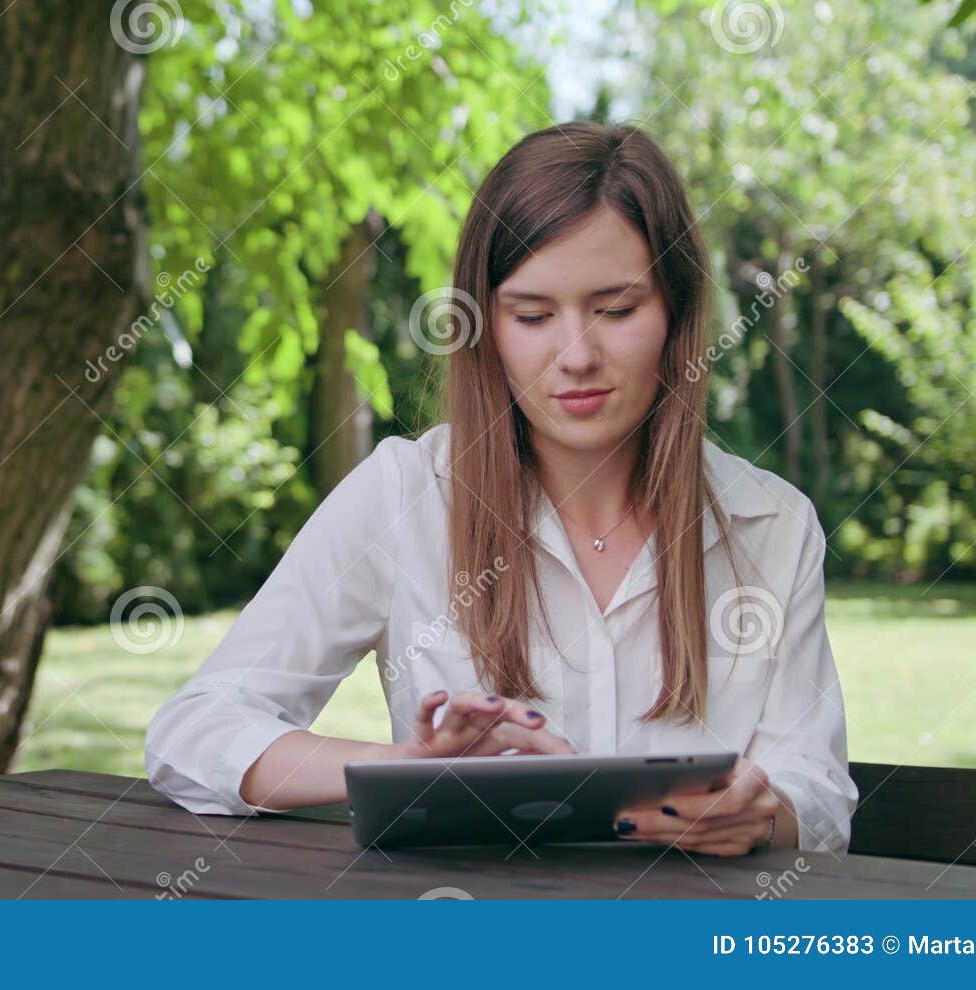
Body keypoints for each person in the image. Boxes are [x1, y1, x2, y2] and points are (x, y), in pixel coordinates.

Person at [143, 120, 857, 856]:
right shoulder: (404, 495)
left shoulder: (770, 525)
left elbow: (820, 791)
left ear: (677, 314)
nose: (576, 356)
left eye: (617, 310)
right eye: (533, 315)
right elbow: (197, 729)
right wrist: (408, 771)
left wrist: (763, 813)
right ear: (486, 327)